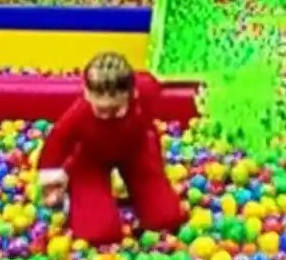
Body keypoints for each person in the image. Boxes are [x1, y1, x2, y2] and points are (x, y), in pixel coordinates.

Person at [36, 52, 186, 246]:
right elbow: (56, 144)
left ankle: (143, 196)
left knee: (166, 219)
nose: (108, 117)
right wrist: (52, 186)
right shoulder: (79, 115)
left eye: (116, 110)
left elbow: (156, 83)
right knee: (98, 233)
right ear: (87, 95)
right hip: (91, 160)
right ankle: (78, 197)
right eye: (101, 111)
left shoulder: (144, 95)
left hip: (136, 153)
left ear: (132, 94)